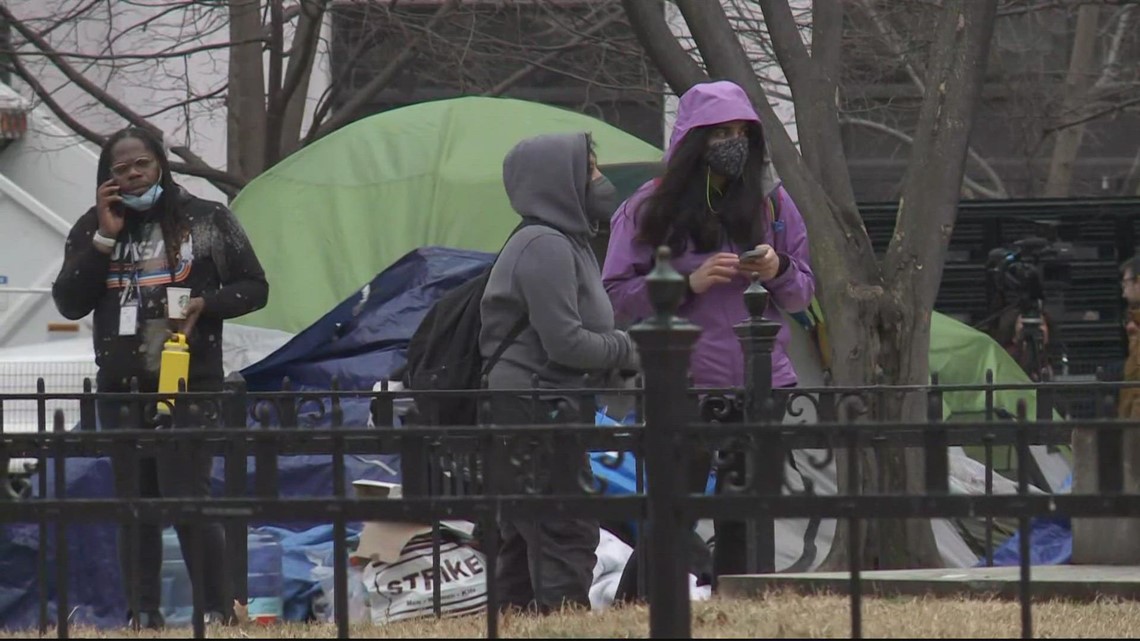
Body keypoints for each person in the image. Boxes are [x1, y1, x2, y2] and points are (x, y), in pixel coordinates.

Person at [51, 127, 269, 629]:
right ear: (108, 179)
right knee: (135, 505)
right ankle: (142, 614)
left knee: (187, 495)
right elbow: (69, 301)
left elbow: (255, 287)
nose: (132, 176)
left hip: (188, 379)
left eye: (141, 165)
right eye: (120, 170)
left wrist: (206, 302)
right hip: (121, 385)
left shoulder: (208, 218)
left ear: (160, 165)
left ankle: (216, 609)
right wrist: (105, 237)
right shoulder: (94, 226)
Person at [601, 80, 815, 578]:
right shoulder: (646, 207)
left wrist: (777, 267)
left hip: (763, 382)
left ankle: (735, 607)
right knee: (674, 511)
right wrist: (687, 281)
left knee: (745, 514)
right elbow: (616, 295)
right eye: (721, 133)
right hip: (685, 383)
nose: (734, 143)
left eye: (743, 132)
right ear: (694, 140)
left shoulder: (772, 203)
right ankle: (653, 606)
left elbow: (803, 292)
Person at [479, 132, 639, 613]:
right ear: (558, 181)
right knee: (563, 528)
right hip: (534, 406)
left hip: (548, 404)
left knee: (526, 532)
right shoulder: (543, 244)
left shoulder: (569, 241)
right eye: (589, 170)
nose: (600, 180)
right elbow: (565, 342)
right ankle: (563, 622)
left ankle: (513, 621)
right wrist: (630, 347)